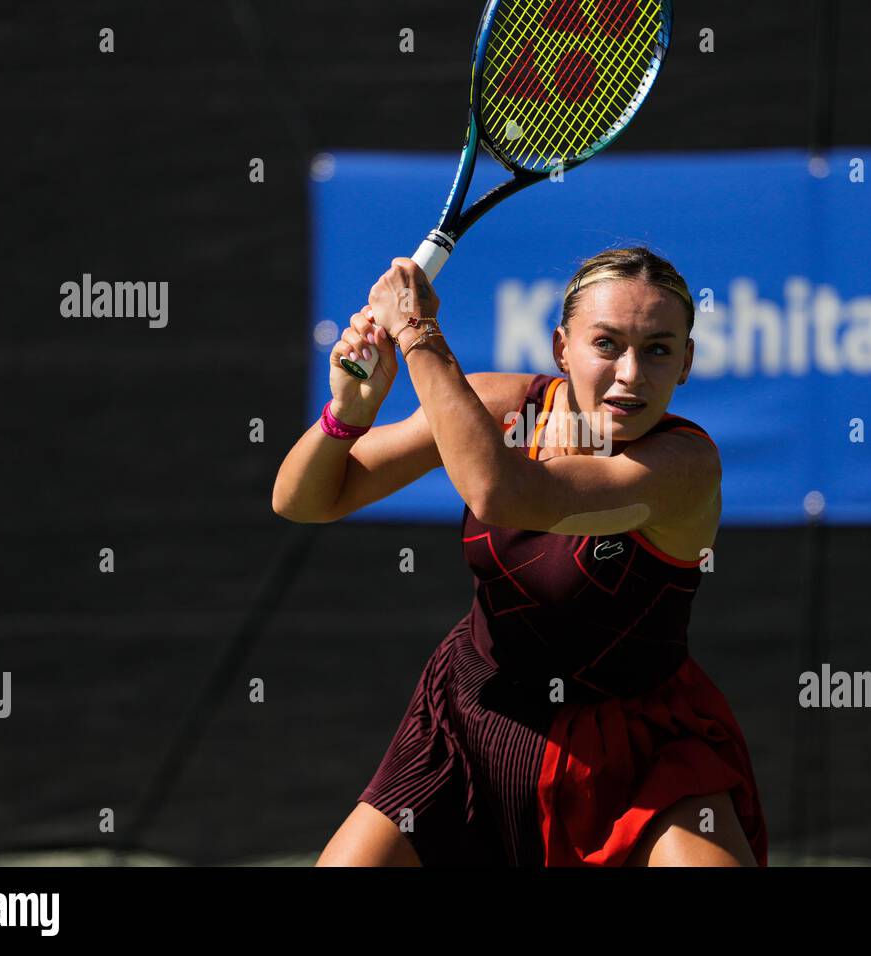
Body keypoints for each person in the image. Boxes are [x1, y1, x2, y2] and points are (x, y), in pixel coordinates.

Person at [273, 246, 768, 866]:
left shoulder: (685, 469)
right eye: (607, 344)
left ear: (687, 361)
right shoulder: (502, 408)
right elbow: (303, 500)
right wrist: (346, 414)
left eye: (659, 349)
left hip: (638, 750)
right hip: (469, 720)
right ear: (562, 347)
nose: (632, 374)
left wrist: (418, 333)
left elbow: (503, 494)